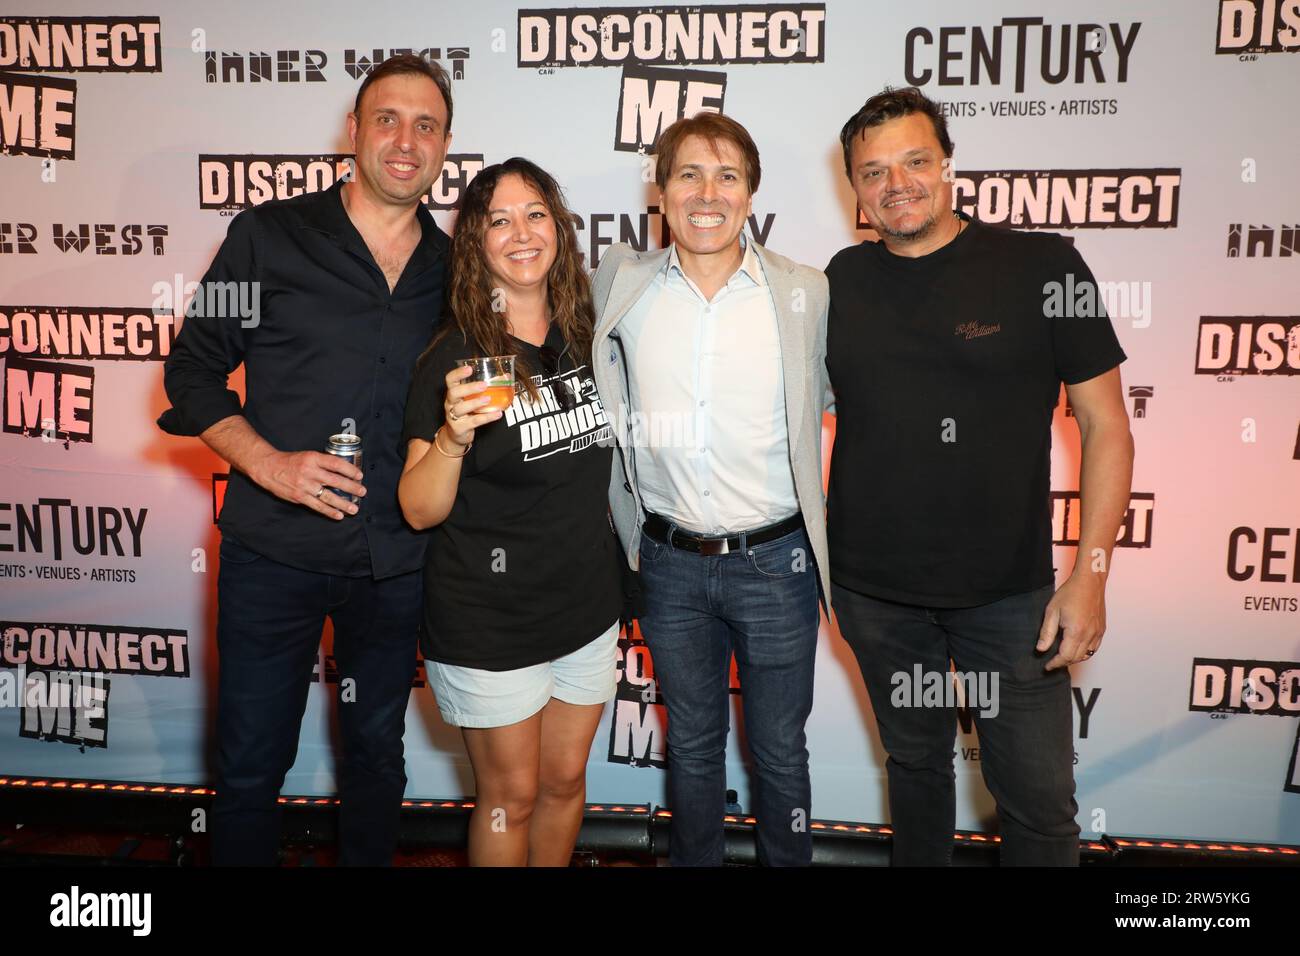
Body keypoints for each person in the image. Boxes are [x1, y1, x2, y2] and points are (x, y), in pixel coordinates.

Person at [157, 53, 455, 865]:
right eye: (387, 119)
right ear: (353, 132)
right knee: (251, 769)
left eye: (426, 125)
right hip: (272, 552)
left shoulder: (457, 268)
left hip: (396, 563)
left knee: (377, 761)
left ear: (445, 147)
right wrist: (268, 463)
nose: (405, 139)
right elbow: (190, 369)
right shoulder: (266, 235)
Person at [825, 86, 1135, 866]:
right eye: (873, 171)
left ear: (949, 164)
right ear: (854, 188)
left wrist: (1089, 576)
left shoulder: (1041, 265)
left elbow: (1105, 426)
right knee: (917, 777)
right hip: (875, 596)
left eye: (915, 161)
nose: (896, 183)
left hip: (1013, 600)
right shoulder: (841, 281)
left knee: (1036, 807)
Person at [591, 113, 831, 867]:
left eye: (727, 176)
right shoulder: (618, 285)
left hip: (778, 563)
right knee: (692, 748)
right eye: (688, 174)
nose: (707, 193)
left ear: (752, 192)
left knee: (781, 757)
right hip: (667, 564)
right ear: (658, 190)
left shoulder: (805, 292)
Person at [397, 158, 622, 867]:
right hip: (489, 621)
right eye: (499, 219)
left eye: (535, 214)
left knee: (563, 784)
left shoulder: (589, 337)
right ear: (475, 243)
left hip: (586, 609)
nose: (520, 232)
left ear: (558, 227)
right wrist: (451, 438)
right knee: (509, 797)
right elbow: (418, 509)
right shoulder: (456, 355)